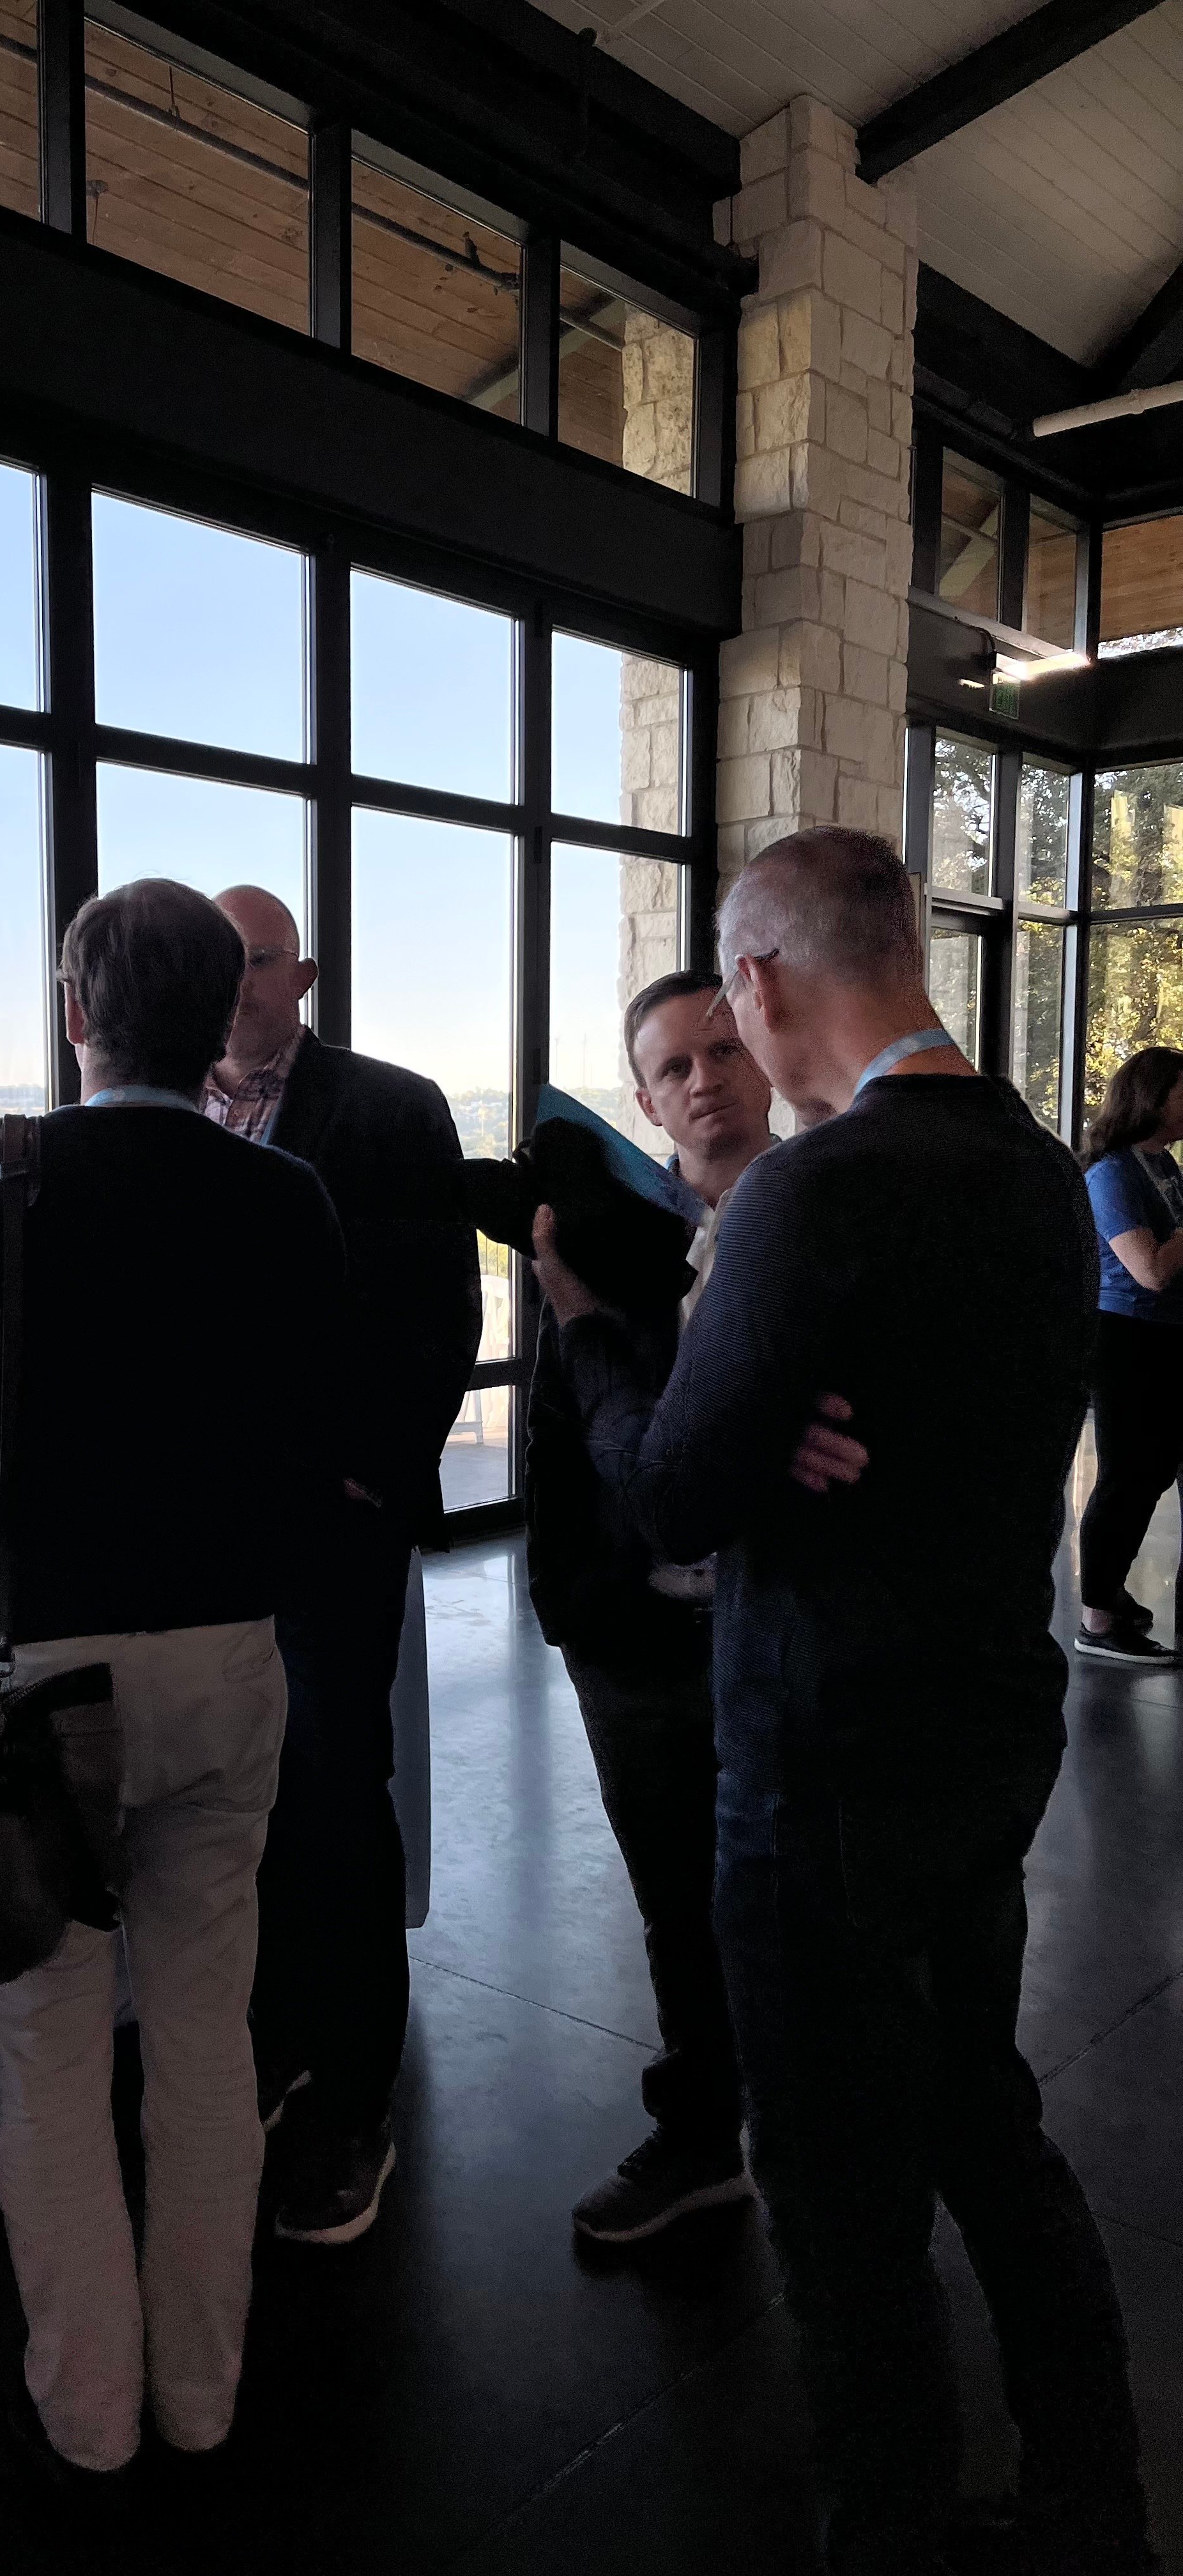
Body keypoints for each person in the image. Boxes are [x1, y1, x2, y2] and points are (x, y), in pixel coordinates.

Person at [531, 828, 1152, 2575]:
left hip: (822, 1762)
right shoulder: (1034, 1165)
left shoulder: (819, 1193)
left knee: (834, 2192)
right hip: (988, 1728)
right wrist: (764, 1415)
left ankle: (890, 2527)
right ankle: (1093, 2504)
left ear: (758, 981)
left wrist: (594, 1334)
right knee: (983, 2121)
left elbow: (673, 1494)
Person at [0, 878, 346, 2492]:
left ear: (77, 1012)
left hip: (35, 1671)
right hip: (226, 1657)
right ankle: (205, 2397)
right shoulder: (287, 1199)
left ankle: (90, 2416)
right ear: (223, 1022)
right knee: (207, 2038)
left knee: (54, 2059)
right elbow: (317, 1422)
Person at [204, 885, 481, 2244]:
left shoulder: (389, 1109)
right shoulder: (157, 1110)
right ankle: (267, 2047)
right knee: (224, 1801)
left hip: (330, 1523)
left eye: (256, 962)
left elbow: (441, 1311)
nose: (234, 987)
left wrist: (372, 1471)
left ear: (302, 976)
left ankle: (355, 2094)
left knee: (332, 1789)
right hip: (193, 1535)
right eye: (214, 965)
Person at [526, 969, 775, 2244]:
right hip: (631, 1630)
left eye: (720, 1051)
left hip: (779, 1631)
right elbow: (561, 1431)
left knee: (796, 1904)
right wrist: (569, 1603)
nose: (702, 1080)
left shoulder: (811, 1223)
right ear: (642, 1100)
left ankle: (823, 2145)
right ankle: (700, 2133)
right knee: (675, 1903)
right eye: (672, 1066)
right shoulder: (600, 1237)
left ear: (764, 1056)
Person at [1075, 1044, 1183, 1666]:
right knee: (1126, 1477)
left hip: (1162, 1339)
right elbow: (1151, 1271)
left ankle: (1110, 1595)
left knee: (1150, 1474)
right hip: (1126, 1339)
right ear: (1153, 1097)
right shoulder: (1112, 1174)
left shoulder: (1163, 1165)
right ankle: (1097, 1617)